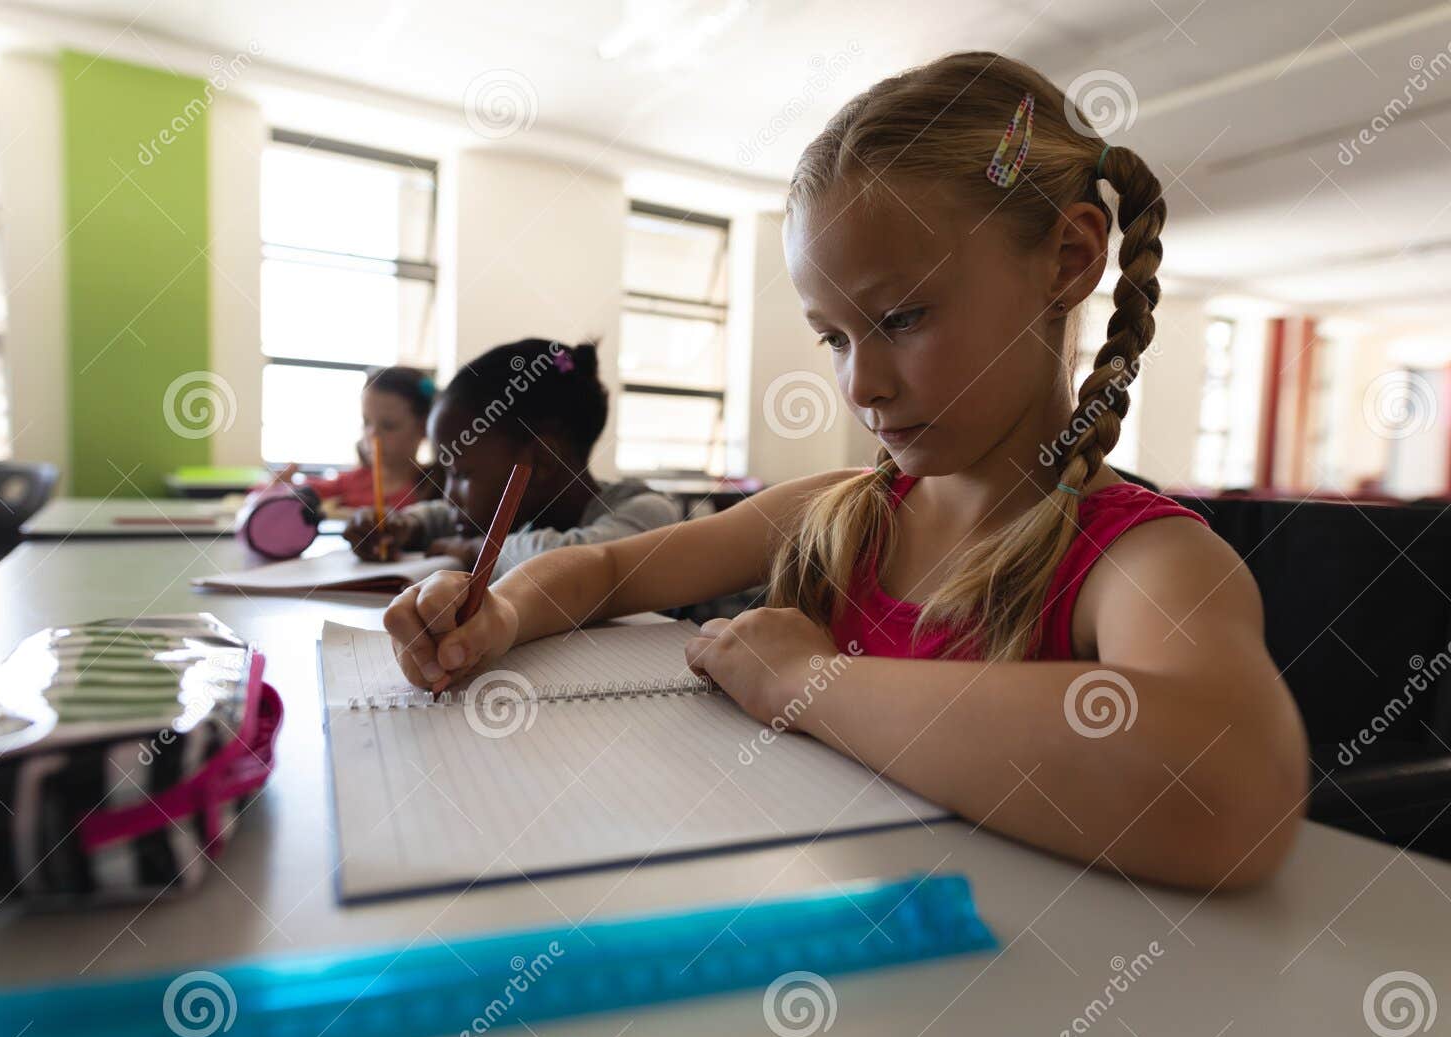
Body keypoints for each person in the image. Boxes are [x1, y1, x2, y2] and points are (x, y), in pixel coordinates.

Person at [376, 53, 1308, 892]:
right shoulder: (840, 513)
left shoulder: (1142, 561)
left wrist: (809, 683)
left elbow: (1233, 784)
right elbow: (611, 570)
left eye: (901, 318)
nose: (861, 382)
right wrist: (500, 610)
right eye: (834, 336)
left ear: (1067, 261)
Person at [345, 338, 681, 571]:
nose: (449, 496)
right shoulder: (524, 517)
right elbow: (442, 516)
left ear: (543, 462)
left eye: (461, 475)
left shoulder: (647, 514)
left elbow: (575, 562)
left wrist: (473, 552)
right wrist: (403, 525)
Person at [272, 366, 436, 510]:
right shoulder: (350, 482)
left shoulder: (437, 486)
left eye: (389, 425)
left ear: (424, 427)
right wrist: (283, 487)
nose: (373, 435)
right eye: (366, 422)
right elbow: (301, 494)